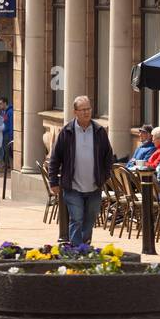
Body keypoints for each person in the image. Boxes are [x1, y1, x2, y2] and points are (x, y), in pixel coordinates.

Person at [48, 96, 115, 245]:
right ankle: (77, 249)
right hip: (73, 186)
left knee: (90, 218)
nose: (87, 112)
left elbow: (108, 156)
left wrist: (104, 176)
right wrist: (53, 181)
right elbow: (55, 158)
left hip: (94, 186)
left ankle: (84, 246)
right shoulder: (66, 132)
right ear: (75, 112)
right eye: (83, 109)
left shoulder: (99, 131)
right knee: (76, 218)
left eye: (89, 109)